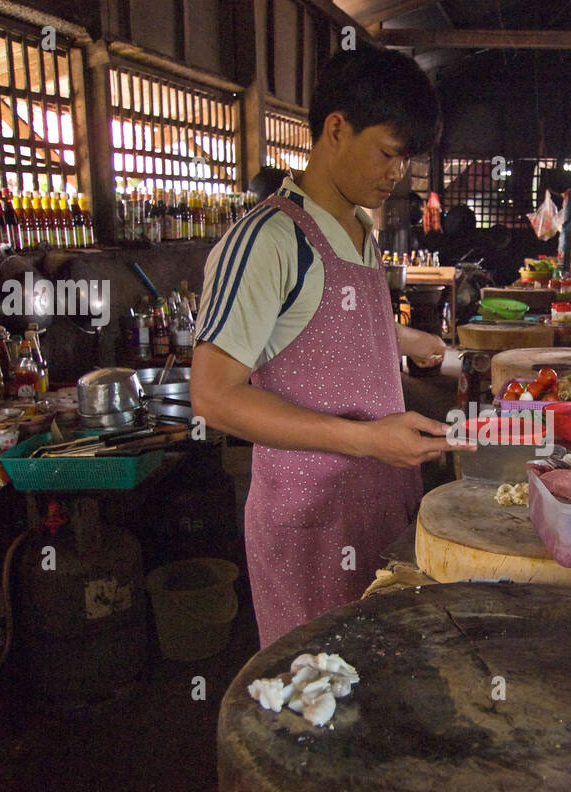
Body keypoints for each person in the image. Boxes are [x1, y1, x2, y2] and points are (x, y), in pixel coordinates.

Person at [191, 47, 465, 649]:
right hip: (310, 522)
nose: (398, 175)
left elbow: (321, 322)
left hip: (378, 503)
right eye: (389, 154)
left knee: (383, 680)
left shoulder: (359, 229)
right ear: (336, 129)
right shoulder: (268, 239)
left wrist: (406, 338)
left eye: (407, 158)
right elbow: (212, 395)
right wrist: (365, 438)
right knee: (315, 695)